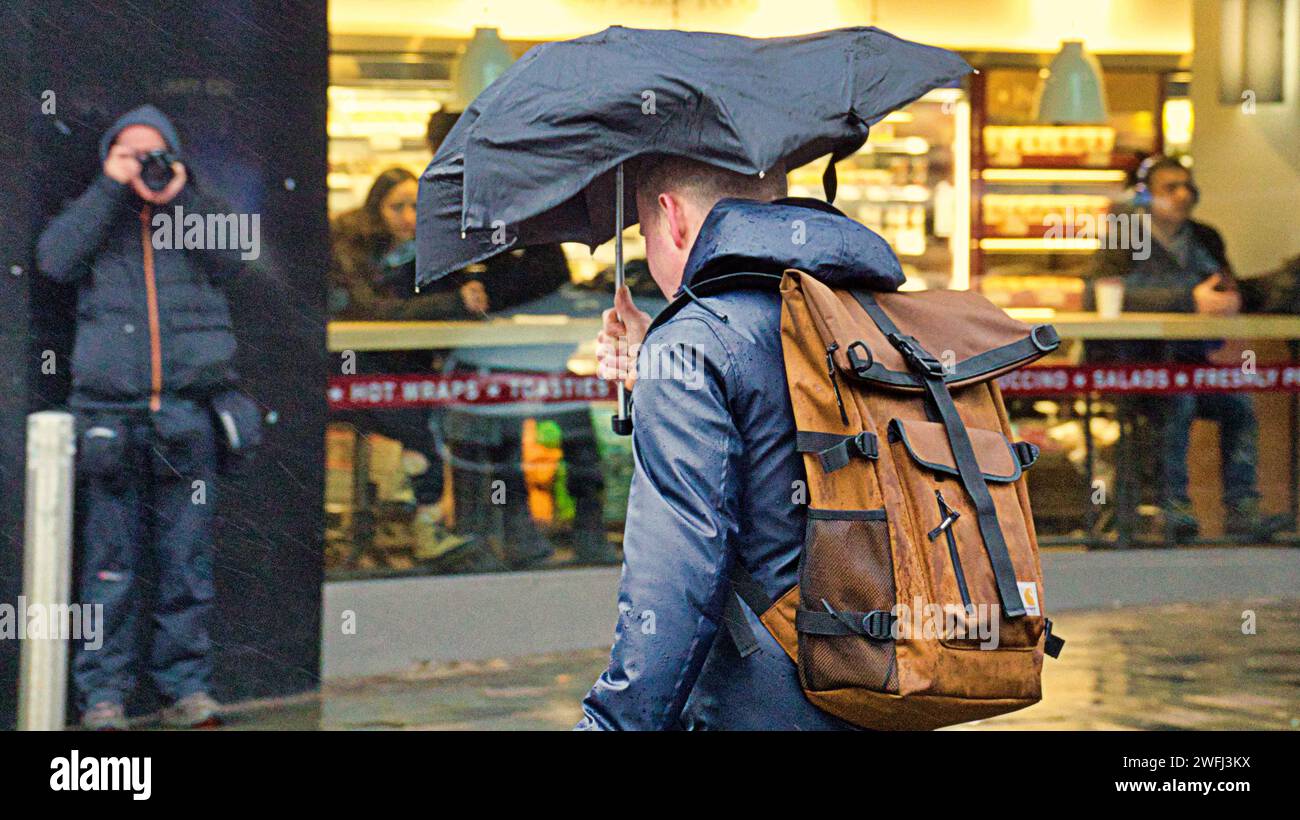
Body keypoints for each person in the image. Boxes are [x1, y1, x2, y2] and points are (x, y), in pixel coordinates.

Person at [576, 155, 900, 729]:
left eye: (644, 233)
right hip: (892, 682)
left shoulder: (695, 344)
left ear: (671, 217)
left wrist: (611, 724)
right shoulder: (858, 312)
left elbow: (676, 578)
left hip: (767, 700)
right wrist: (659, 361)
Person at [36, 104, 244, 729]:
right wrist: (109, 185)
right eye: (131, 152)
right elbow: (54, 260)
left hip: (187, 415)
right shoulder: (97, 216)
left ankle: (186, 687)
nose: (144, 164)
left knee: (188, 565)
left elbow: (239, 262)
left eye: (155, 153)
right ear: (110, 156)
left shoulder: (197, 214)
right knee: (110, 570)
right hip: (111, 419)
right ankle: (103, 698)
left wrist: (180, 198)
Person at [1084, 156, 1290, 542]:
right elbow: (1098, 292)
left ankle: (1243, 508)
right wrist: (1185, 298)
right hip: (1140, 365)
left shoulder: (1204, 237)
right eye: (1170, 188)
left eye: (1188, 186)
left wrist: (1232, 297)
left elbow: (1223, 283)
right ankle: (1172, 507)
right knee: (1177, 404)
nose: (1183, 195)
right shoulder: (1127, 234)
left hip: (1196, 359)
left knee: (1240, 407)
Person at [329, 167, 488, 569]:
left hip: (405, 370)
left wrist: (466, 298)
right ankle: (424, 525)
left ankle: (421, 518)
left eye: (416, 206)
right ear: (375, 209)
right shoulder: (352, 247)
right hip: (354, 372)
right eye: (396, 206)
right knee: (420, 427)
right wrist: (454, 302)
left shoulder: (430, 252)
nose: (407, 216)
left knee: (433, 419)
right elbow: (369, 310)